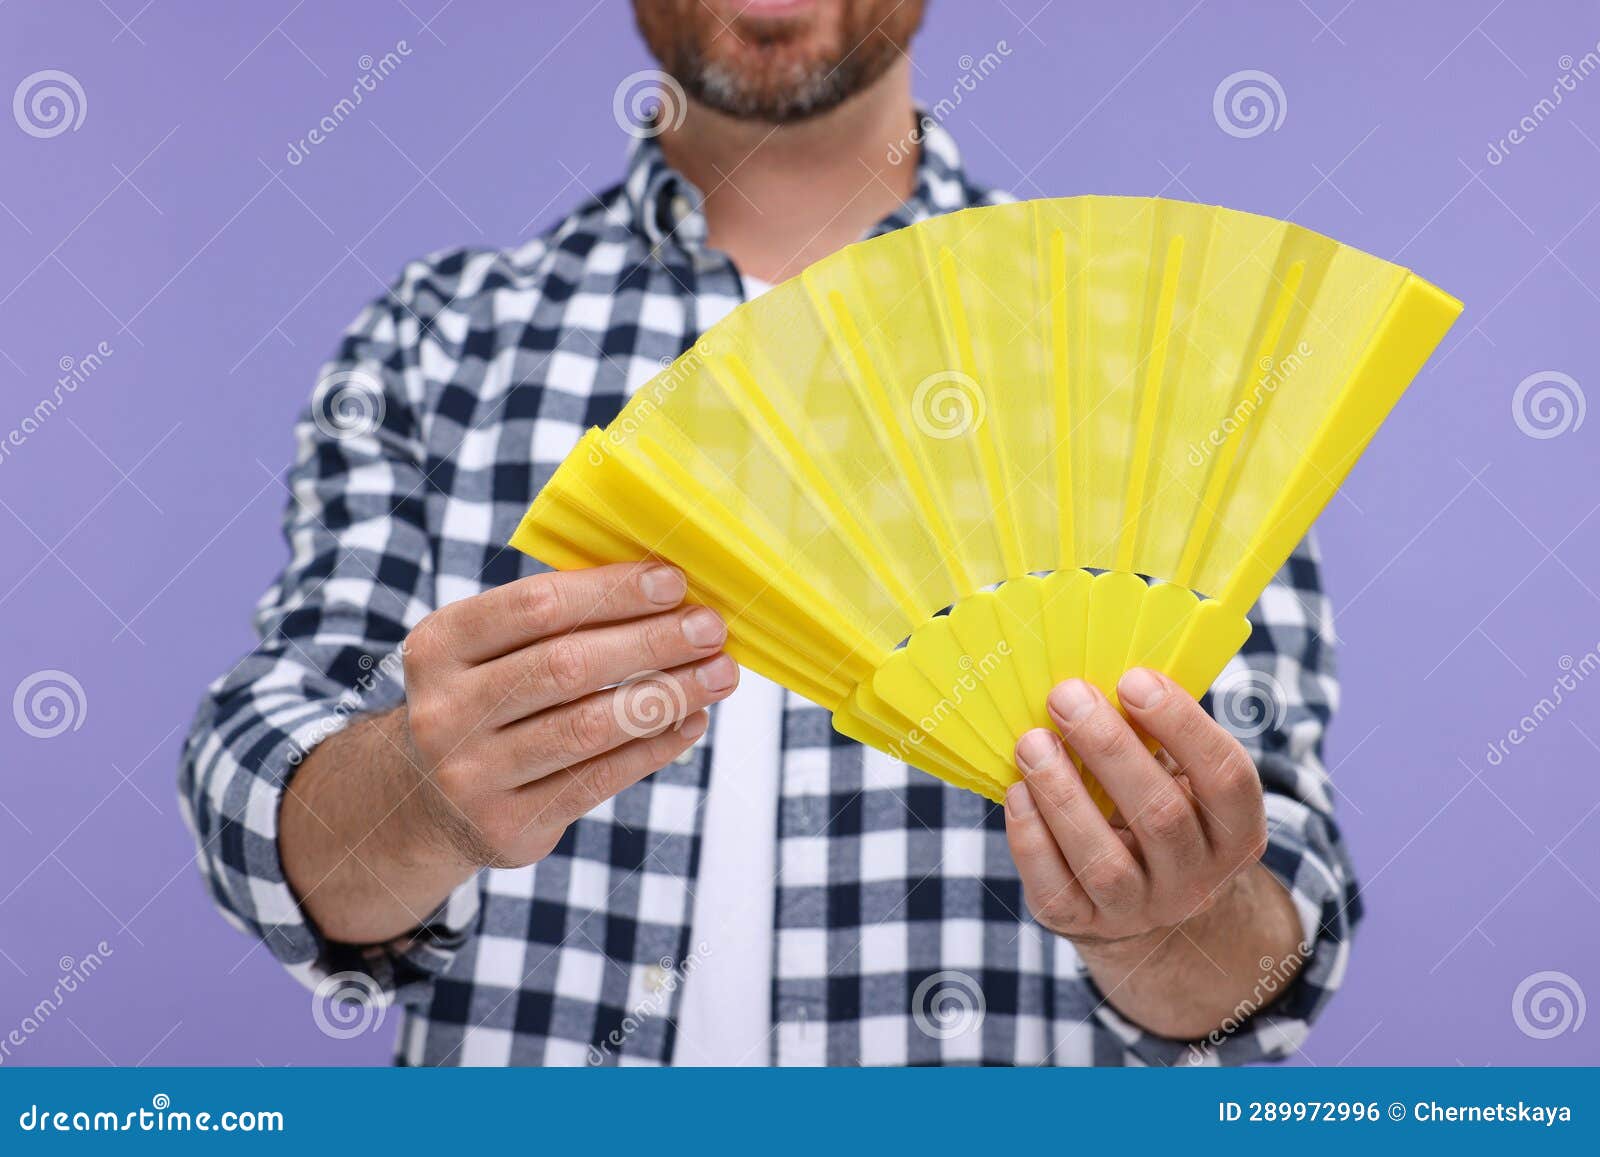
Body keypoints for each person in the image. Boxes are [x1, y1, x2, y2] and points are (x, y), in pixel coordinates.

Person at [179, 0, 1358, 1066]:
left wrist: (1174, 914)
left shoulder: (1148, 354)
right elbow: (264, 783)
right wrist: (415, 797)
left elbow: (1272, 951)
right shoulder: (441, 336)